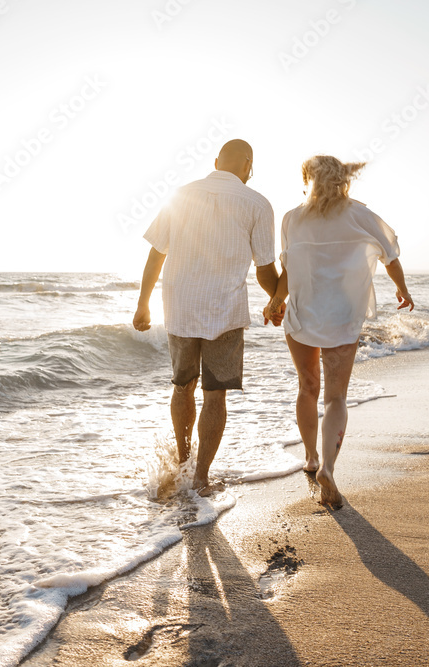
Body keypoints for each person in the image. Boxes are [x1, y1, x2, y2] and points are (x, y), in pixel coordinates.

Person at [265, 155, 413, 509]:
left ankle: (311, 457)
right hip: (343, 315)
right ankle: (328, 468)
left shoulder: (291, 219)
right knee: (335, 397)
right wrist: (403, 289)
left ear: (307, 179)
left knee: (307, 386)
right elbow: (390, 255)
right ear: (343, 179)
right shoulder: (360, 214)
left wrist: (276, 301)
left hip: (302, 314)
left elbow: (289, 267)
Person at [133, 139, 280, 496]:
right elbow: (264, 269)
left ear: (216, 161)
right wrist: (277, 299)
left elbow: (157, 254)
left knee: (183, 385)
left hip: (180, 306)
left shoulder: (181, 194)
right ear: (247, 165)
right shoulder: (257, 203)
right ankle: (200, 478)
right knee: (216, 395)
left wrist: (143, 303)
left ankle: (184, 465)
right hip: (225, 311)